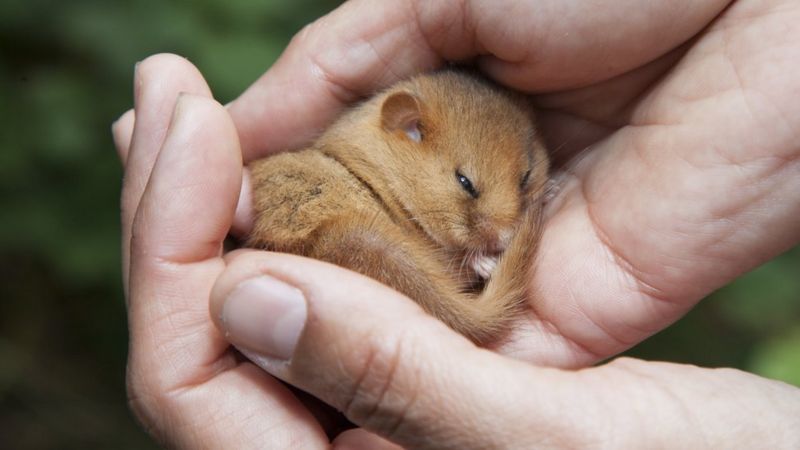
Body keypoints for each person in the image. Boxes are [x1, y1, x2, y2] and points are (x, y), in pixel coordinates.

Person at [112, 0, 800, 448]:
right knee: (353, 244)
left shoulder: (507, 138)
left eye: (525, 186)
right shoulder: (380, 141)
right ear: (407, 128)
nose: (501, 222)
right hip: (326, 218)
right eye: (469, 188)